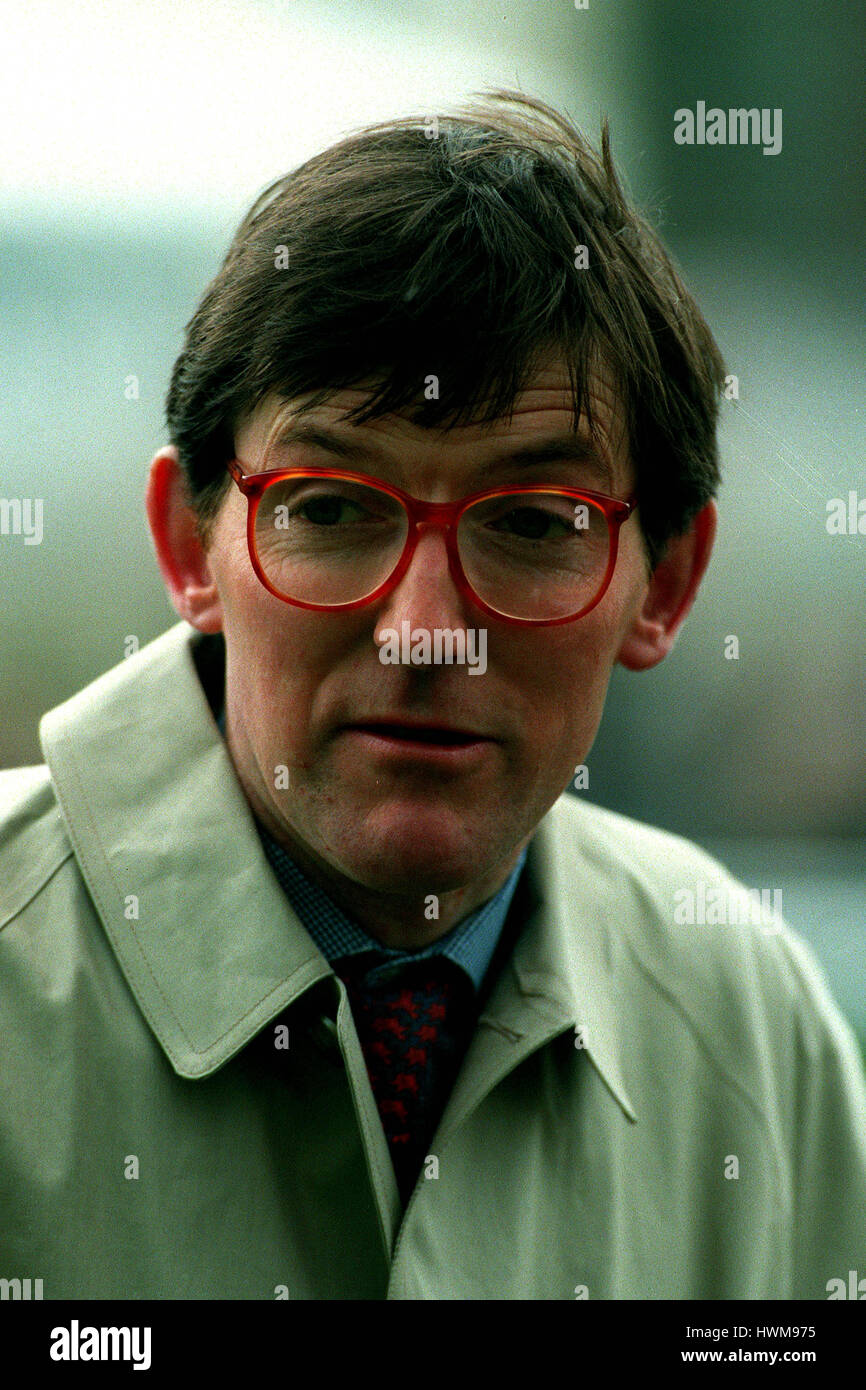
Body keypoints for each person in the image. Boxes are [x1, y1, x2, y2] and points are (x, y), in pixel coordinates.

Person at [1, 90, 864, 1302]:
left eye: (530, 524)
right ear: (191, 548)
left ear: (663, 583)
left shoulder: (746, 1027)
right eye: (332, 508)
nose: (425, 634)